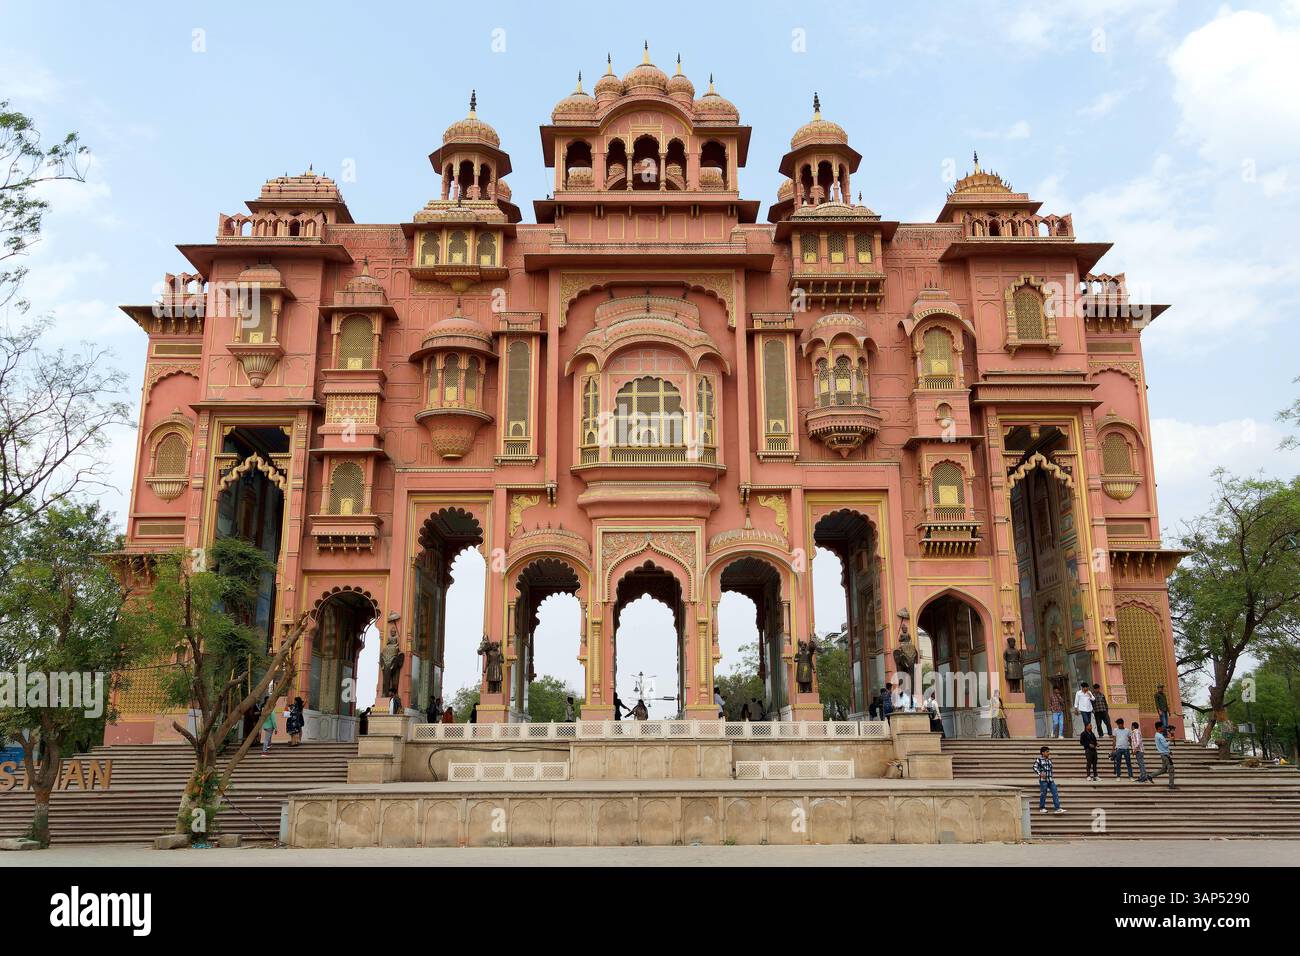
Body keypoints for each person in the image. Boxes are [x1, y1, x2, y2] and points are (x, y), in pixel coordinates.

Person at [1034, 746, 1066, 814]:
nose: (1049, 753)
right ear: (1043, 753)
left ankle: (1057, 808)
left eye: (1048, 751)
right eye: (1047, 751)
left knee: (1055, 793)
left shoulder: (1049, 760)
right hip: (1043, 780)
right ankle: (1042, 808)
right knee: (1043, 794)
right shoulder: (1039, 760)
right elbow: (1034, 767)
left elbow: (1050, 769)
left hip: (1050, 780)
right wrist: (1040, 773)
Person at [1145, 721, 1176, 789]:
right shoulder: (1159, 736)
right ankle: (1171, 785)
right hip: (1165, 755)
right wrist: (1170, 740)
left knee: (1163, 770)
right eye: (1162, 726)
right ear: (1159, 727)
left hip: (1164, 754)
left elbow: (1163, 746)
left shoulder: (1158, 735)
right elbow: (1165, 745)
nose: (1163, 728)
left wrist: (1169, 751)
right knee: (1171, 769)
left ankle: (1150, 776)